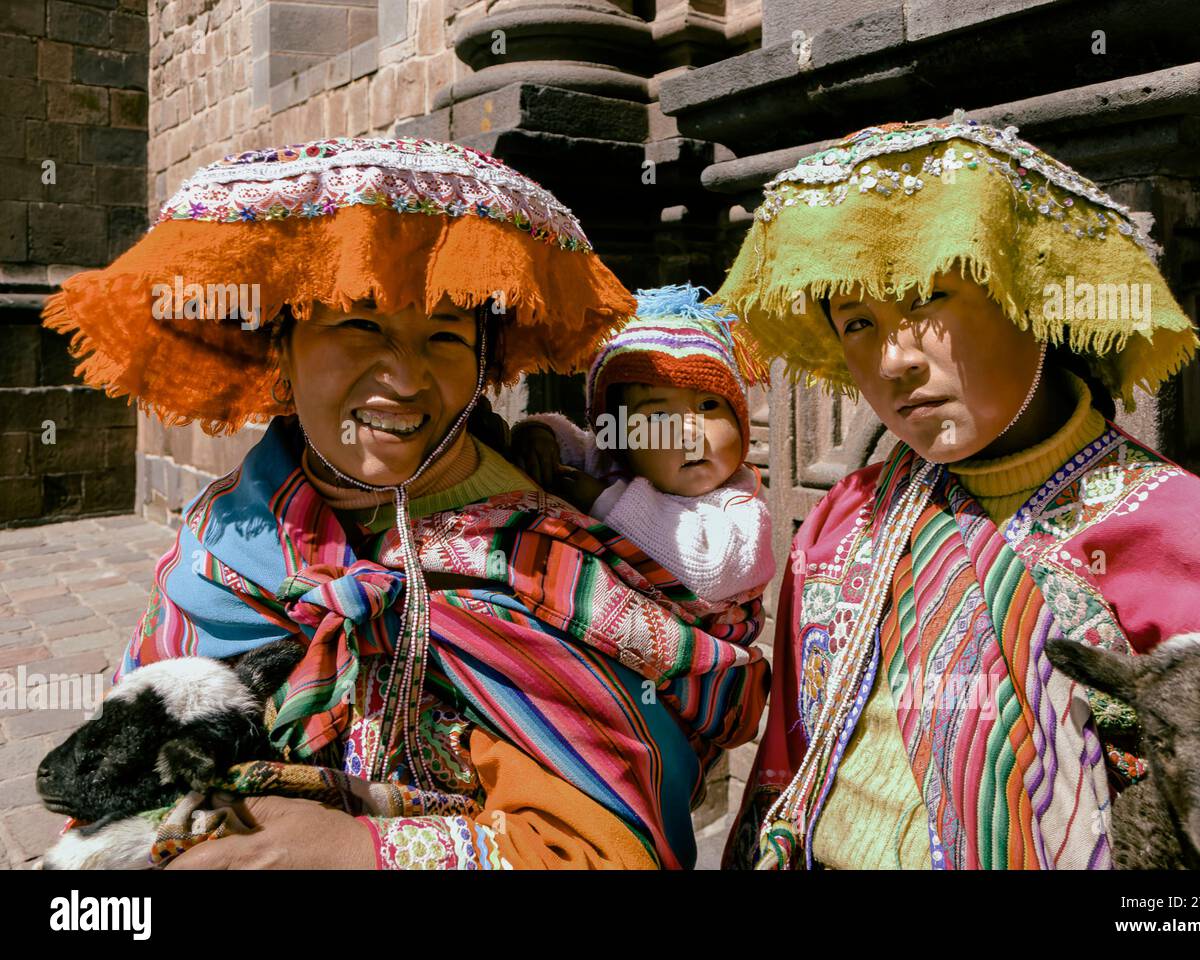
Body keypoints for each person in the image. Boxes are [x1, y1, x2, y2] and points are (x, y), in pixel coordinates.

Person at [43, 137, 769, 869]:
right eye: (360, 324)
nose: (404, 376)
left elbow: (609, 851)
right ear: (282, 352)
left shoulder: (541, 557)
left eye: (446, 336)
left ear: (481, 365)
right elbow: (121, 768)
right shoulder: (223, 537)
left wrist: (359, 852)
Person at [712, 112, 1200, 869]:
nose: (893, 361)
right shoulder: (845, 521)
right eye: (857, 321)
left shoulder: (1182, 536)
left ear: (1029, 295)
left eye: (928, 300)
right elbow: (790, 762)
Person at [510, 283, 776, 608]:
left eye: (708, 406)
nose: (689, 432)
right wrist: (538, 435)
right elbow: (570, 442)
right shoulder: (610, 462)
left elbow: (709, 568)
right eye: (660, 415)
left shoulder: (740, 506)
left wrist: (604, 501)